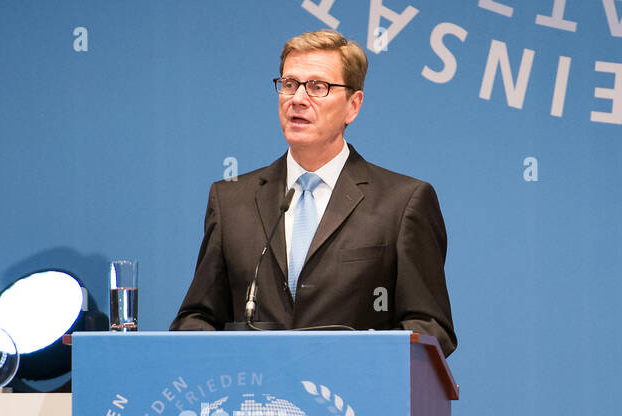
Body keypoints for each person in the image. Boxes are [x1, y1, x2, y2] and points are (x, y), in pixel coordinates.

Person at [170, 29, 456, 358]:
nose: (298, 98)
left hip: (355, 400)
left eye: (317, 87)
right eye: (289, 84)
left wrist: (356, 357)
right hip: (256, 399)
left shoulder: (403, 202)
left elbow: (431, 328)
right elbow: (195, 318)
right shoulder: (231, 200)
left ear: (353, 105)